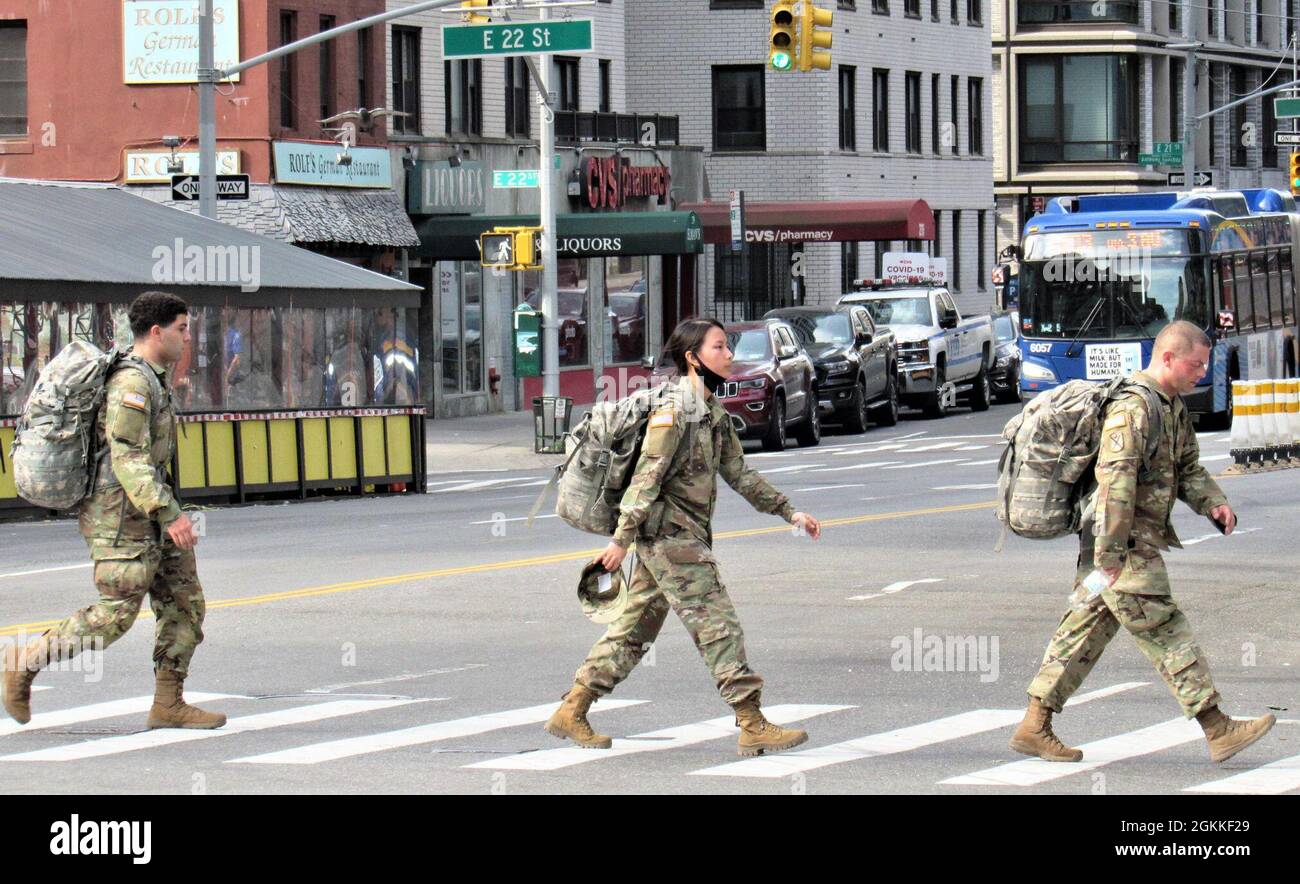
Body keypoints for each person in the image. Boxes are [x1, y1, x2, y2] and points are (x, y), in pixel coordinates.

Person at [545, 317, 823, 757]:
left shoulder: (712, 413)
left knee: (633, 631)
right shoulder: (674, 412)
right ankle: (751, 722)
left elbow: (740, 474)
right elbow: (645, 479)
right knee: (719, 626)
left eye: (727, 346)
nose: (729, 354)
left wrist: (790, 511)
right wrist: (620, 540)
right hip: (672, 541)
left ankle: (573, 707)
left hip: (676, 540)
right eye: (718, 347)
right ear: (693, 358)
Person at [1011, 320, 1274, 764]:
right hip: (1122, 544)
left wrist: (1214, 504)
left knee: (1085, 628)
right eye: (1195, 364)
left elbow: (1187, 466)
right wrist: (1110, 557)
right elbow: (1114, 483)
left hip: (1122, 546)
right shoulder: (1134, 408)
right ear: (1168, 357)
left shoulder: (1170, 405)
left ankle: (1035, 724)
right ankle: (1217, 727)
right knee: (1165, 628)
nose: (1201, 372)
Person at [2, 292, 225, 730]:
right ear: (157, 332)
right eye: (182, 328)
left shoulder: (152, 377)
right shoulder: (132, 384)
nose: (188, 337)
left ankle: (168, 704)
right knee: (116, 613)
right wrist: (169, 513)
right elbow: (127, 456)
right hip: (121, 518)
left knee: (185, 605)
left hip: (151, 511)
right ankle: (26, 660)